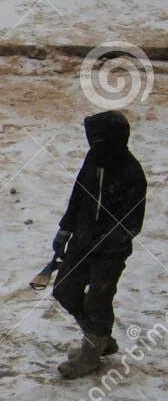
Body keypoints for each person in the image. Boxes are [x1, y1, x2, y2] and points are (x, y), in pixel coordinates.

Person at [51, 110, 147, 379]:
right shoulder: (93, 159)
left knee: (98, 300)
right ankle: (100, 337)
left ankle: (91, 355)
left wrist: (103, 243)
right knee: (65, 290)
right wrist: (66, 228)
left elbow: (131, 224)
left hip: (109, 252)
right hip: (82, 241)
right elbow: (79, 194)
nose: (91, 144)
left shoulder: (132, 174)